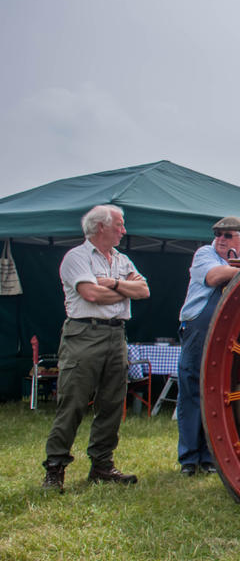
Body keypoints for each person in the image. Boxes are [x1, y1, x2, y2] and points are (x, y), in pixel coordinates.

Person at [42, 205, 150, 493]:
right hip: (84, 334)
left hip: (116, 334)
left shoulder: (121, 259)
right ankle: (55, 467)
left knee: (112, 403)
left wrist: (112, 284)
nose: (123, 230)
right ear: (101, 226)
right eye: (119, 225)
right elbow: (90, 293)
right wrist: (124, 289)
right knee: (73, 401)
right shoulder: (76, 257)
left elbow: (144, 291)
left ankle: (102, 465)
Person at [176, 216, 240, 476]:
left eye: (227, 235)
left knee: (222, 390)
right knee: (192, 388)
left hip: (233, 331)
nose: (221, 240)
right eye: (218, 234)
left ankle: (211, 456)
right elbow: (215, 277)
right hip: (199, 326)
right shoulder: (205, 254)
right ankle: (189, 458)